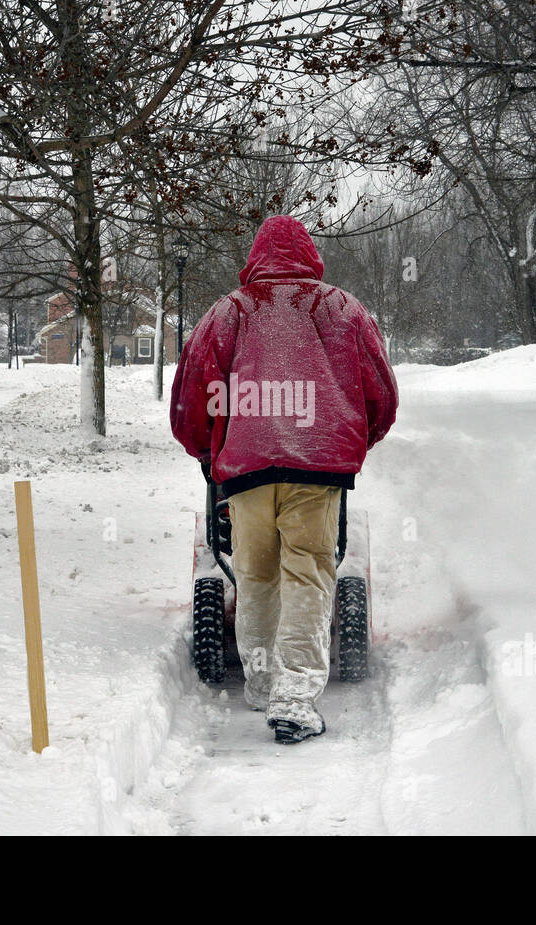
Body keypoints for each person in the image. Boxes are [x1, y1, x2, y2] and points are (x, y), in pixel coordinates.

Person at [170, 215, 398, 743]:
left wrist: (207, 450)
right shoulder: (342, 309)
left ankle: (262, 681)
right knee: (310, 573)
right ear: (310, 254)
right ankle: (294, 698)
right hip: (318, 468)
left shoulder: (230, 312)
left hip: (245, 470)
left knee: (254, 574)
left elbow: (193, 390)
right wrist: (354, 439)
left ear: (256, 257)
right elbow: (380, 394)